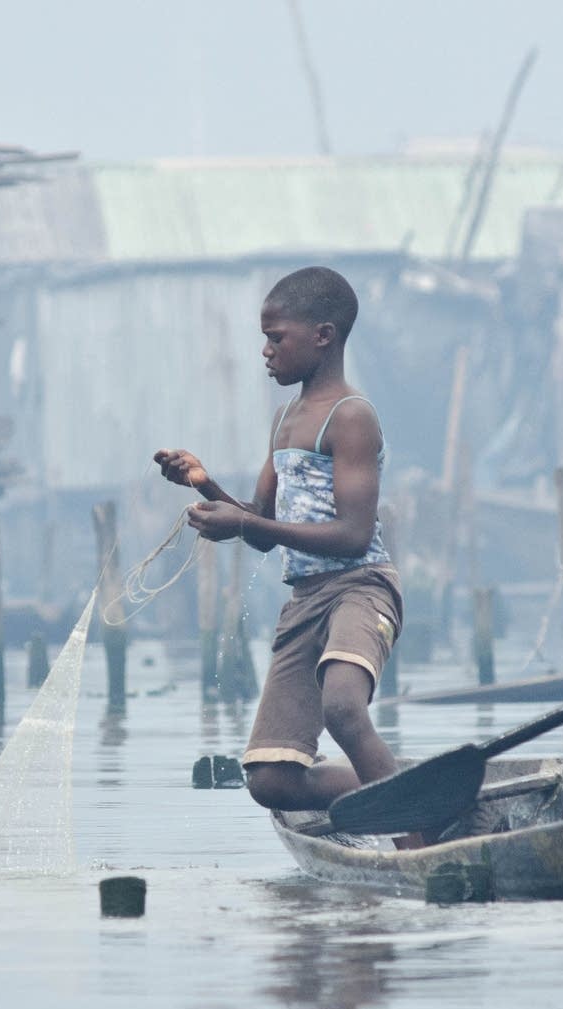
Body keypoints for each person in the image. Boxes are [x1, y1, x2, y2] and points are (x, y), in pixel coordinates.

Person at [154, 266, 407, 816]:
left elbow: (353, 534)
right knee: (271, 780)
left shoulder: (352, 416)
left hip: (359, 588)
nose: (266, 352)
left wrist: (246, 525)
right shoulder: (284, 419)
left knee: (343, 707)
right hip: (305, 601)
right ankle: (394, 786)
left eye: (275, 338)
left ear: (322, 336)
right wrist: (204, 484)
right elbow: (263, 524)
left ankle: (415, 832)